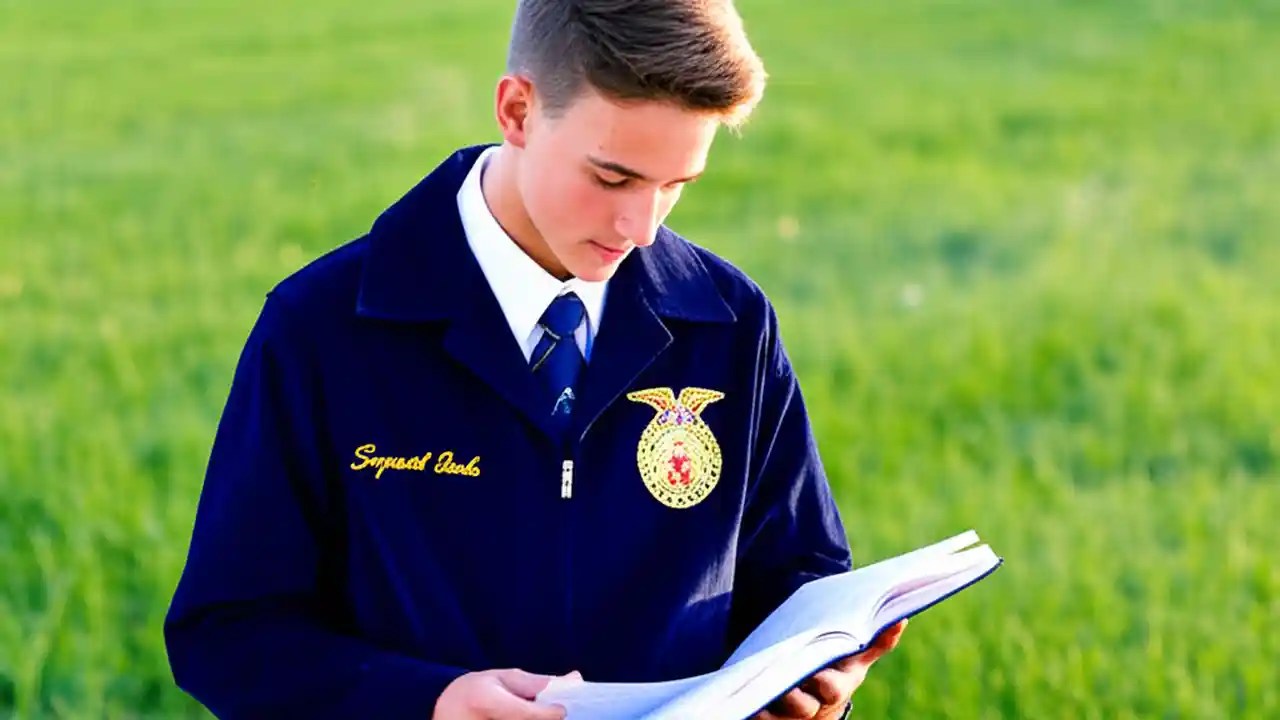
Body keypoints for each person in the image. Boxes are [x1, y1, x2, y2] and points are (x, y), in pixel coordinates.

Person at [163, 1, 906, 718]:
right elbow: (226, 631)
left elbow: (800, 576)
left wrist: (814, 686)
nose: (641, 228)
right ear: (517, 110)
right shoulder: (322, 330)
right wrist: (425, 703)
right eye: (612, 177)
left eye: (676, 185)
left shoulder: (732, 324)